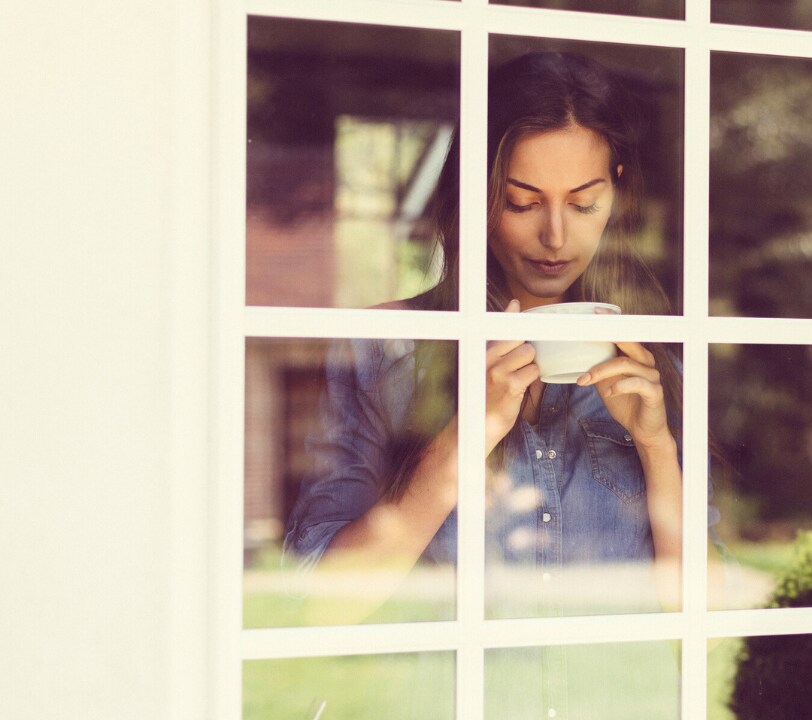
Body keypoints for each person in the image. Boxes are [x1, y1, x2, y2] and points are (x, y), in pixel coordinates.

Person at [283, 51, 684, 622]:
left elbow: (708, 637)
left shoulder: (652, 369)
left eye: (583, 202)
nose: (554, 235)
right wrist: (467, 437)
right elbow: (316, 609)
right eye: (522, 201)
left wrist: (657, 448)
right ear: (478, 195)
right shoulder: (383, 349)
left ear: (617, 195)